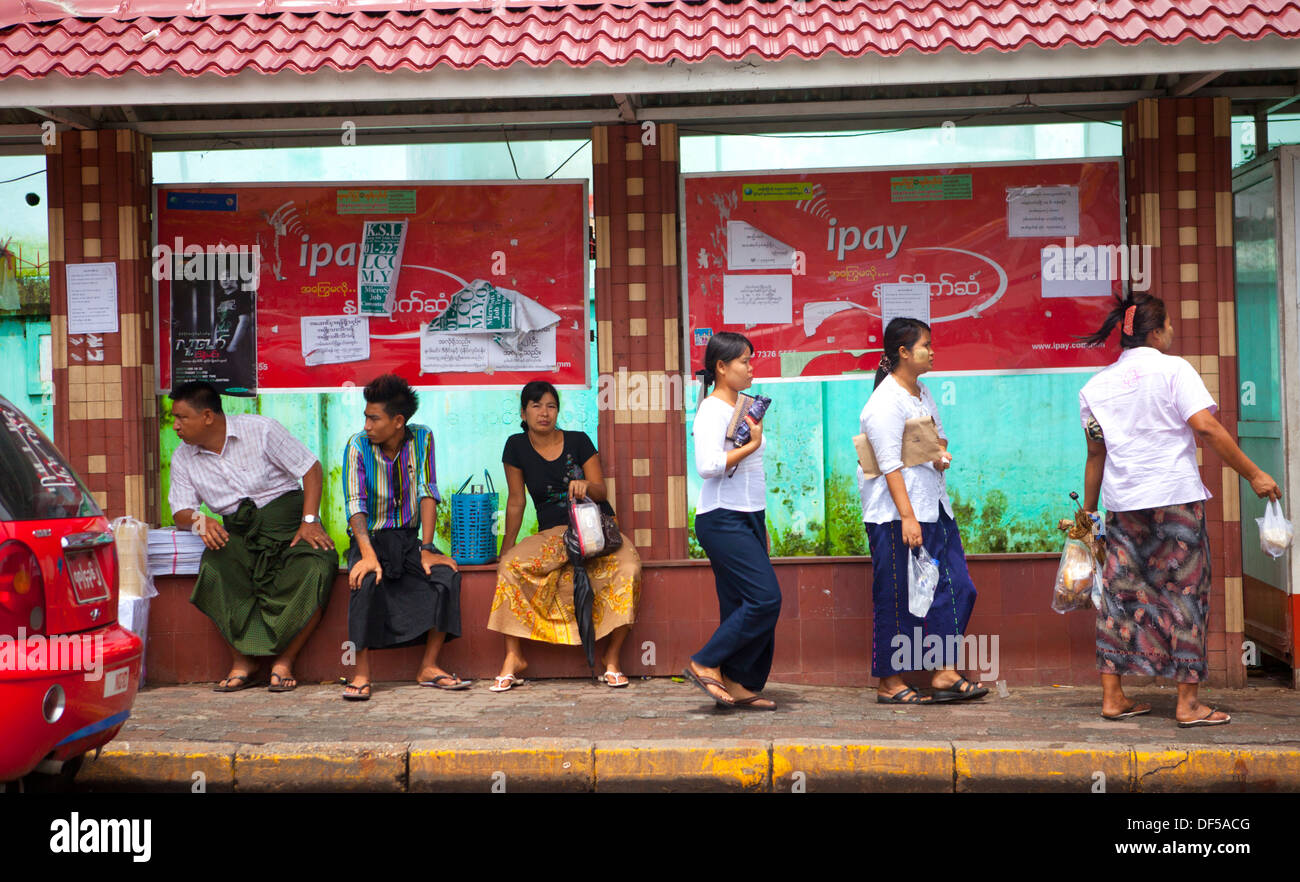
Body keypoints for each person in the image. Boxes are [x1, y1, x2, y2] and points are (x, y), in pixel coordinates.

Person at [1078, 293, 1279, 727]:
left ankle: (1113, 698)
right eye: (1168, 325)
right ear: (1155, 332)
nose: (1173, 332)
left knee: (1118, 595)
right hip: (1174, 500)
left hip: (1122, 505)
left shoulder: (1095, 387)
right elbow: (1205, 426)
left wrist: (1090, 514)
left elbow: (1096, 454)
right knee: (1185, 595)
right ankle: (1187, 705)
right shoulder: (1174, 370)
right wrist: (1254, 475)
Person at [168, 381, 336, 693]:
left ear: (207, 416)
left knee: (318, 567)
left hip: (290, 527)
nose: (175, 426)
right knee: (214, 569)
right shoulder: (183, 457)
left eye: (181, 418)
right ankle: (242, 661)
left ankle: (285, 661)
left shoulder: (261, 430)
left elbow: (310, 468)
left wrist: (310, 520)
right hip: (240, 535)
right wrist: (199, 520)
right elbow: (180, 510)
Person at [859, 318, 986, 705]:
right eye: (925, 345)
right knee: (897, 594)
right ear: (903, 352)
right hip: (896, 515)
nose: (932, 352)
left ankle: (943, 672)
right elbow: (888, 465)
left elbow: (939, 435)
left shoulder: (922, 392)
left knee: (957, 587)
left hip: (935, 507)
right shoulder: (883, 403)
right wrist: (908, 517)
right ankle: (889, 680)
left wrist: (939, 452)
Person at [487, 380, 641, 691]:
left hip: (595, 529)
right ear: (523, 411)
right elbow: (516, 500)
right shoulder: (515, 446)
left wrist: (586, 486)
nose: (544, 413)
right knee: (510, 567)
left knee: (630, 567)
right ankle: (513, 657)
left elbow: (602, 489)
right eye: (536, 406)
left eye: (551, 406)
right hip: (555, 533)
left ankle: (612, 660)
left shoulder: (578, 440)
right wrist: (507, 547)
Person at [341, 374, 467, 701]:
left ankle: (428, 666)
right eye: (365, 417)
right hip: (370, 538)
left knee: (445, 575)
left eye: (374, 418)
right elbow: (355, 504)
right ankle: (361, 672)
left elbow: (428, 491)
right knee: (363, 582)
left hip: (410, 540)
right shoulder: (356, 446)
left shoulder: (422, 438)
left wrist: (427, 547)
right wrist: (367, 554)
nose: (366, 424)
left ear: (398, 421)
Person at [683, 332, 782, 710]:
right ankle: (705, 660)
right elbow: (707, 466)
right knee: (765, 599)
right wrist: (751, 445)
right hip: (722, 518)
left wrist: (762, 523)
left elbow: (752, 476)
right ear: (721, 368)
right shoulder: (711, 409)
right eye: (744, 360)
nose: (751, 366)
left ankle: (740, 681)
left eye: (751, 359)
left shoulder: (744, 405)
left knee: (741, 602)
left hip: (748, 516)